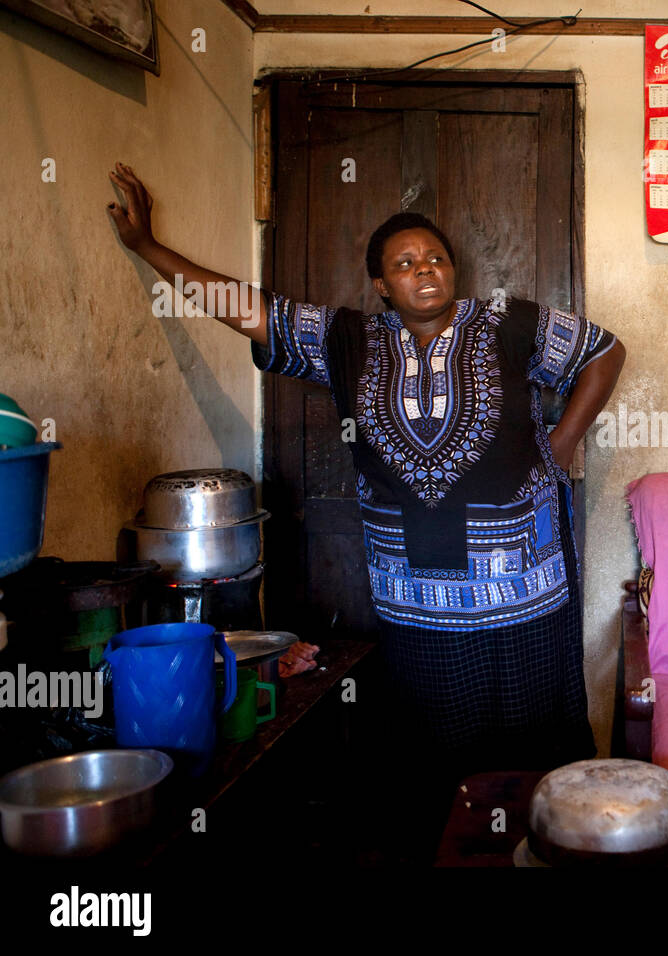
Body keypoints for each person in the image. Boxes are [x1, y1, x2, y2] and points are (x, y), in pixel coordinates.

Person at [107, 162, 625, 780]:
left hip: (526, 588)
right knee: (439, 752)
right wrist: (148, 248)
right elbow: (250, 310)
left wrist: (563, 442)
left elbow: (604, 352)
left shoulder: (510, 323)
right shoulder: (346, 340)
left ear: (453, 271)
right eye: (404, 264)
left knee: (533, 745)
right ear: (381, 284)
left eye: (434, 258)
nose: (423, 269)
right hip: (416, 593)